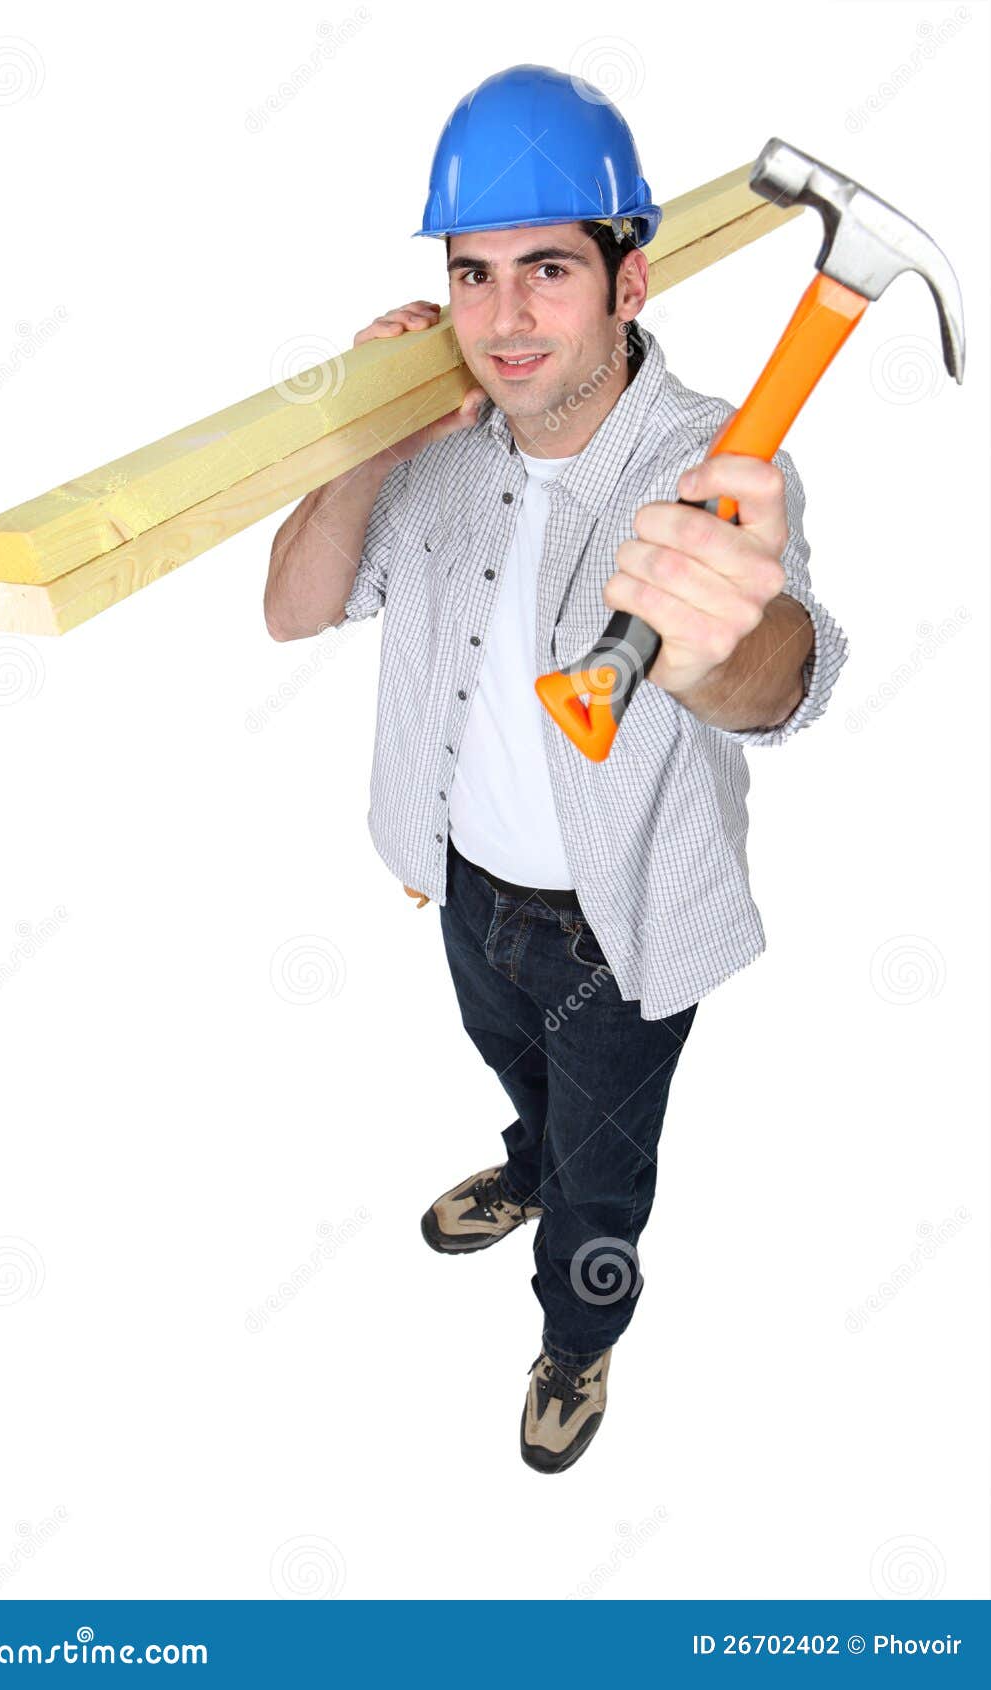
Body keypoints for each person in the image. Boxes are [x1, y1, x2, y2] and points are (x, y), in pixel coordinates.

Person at [264, 64, 848, 1473]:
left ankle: (578, 1336)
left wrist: (723, 646)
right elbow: (292, 608)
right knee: (515, 1069)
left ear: (628, 281)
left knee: (605, 1178)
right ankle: (526, 1159)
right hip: (466, 885)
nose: (505, 319)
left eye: (548, 270)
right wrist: (364, 443)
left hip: (624, 929)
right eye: (472, 274)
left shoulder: (718, 462)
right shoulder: (437, 447)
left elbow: (787, 682)